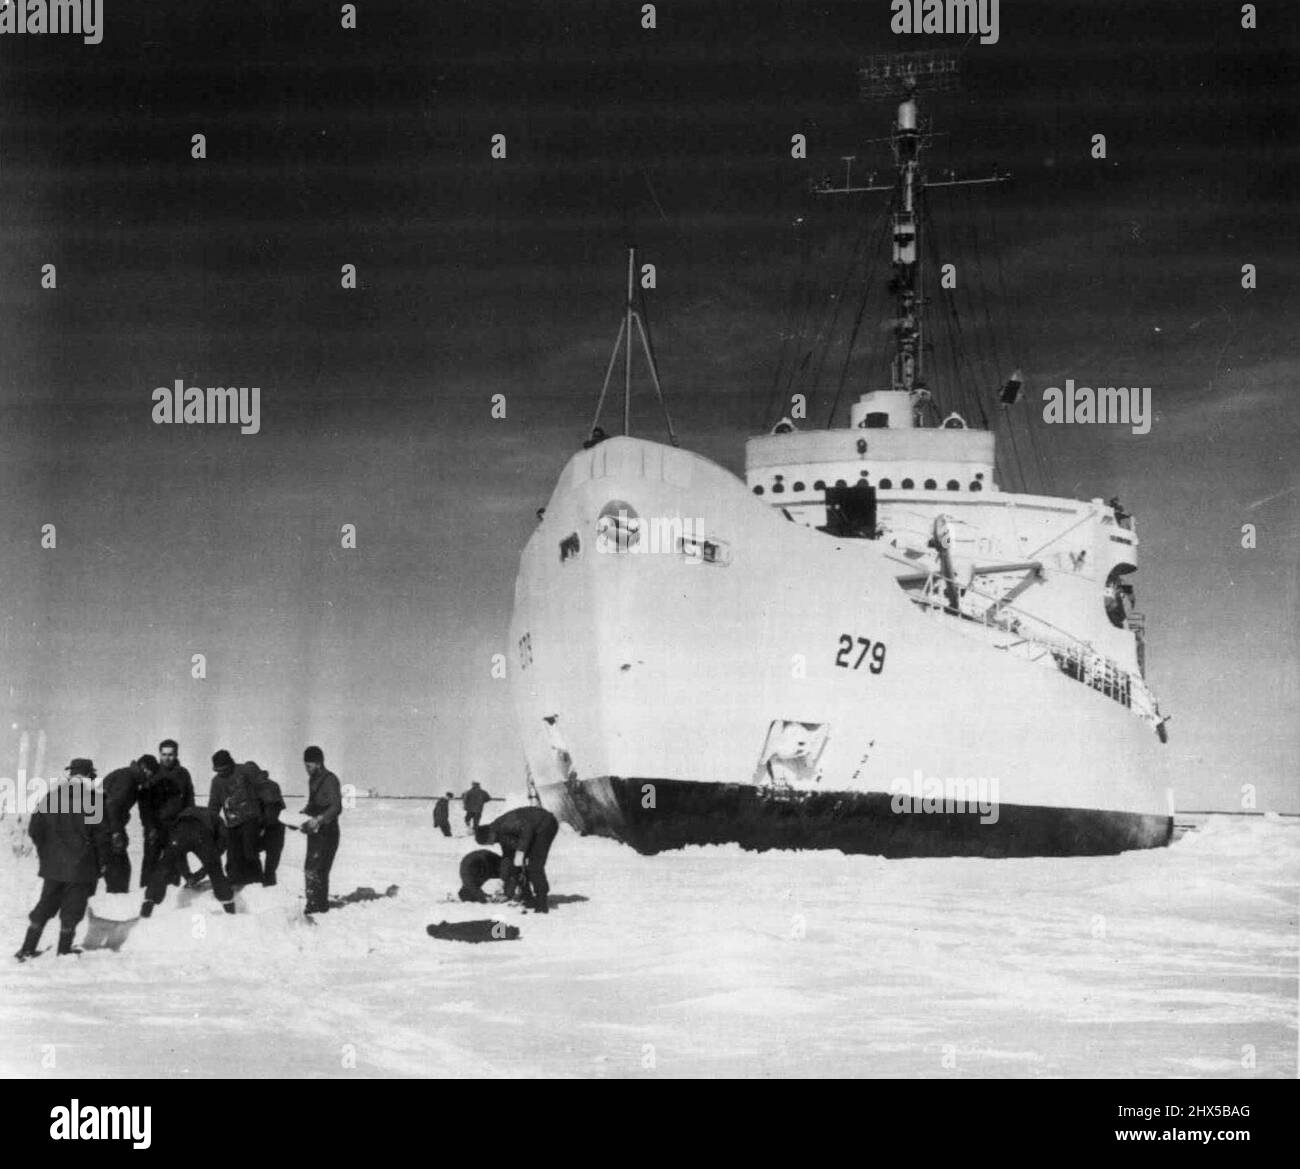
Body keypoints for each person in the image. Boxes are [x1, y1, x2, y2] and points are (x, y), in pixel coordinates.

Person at [15, 759, 100, 960]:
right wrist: (99, 864)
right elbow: (101, 836)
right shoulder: (93, 801)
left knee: (45, 905)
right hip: (81, 867)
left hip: (53, 866)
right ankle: (64, 951)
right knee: (73, 909)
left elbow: (35, 830)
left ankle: (27, 949)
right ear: (89, 776)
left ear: (70, 775)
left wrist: (46, 854)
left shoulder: (51, 797)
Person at [141, 805, 235, 916]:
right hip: (201, 831)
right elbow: (214, 858)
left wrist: (188, 876)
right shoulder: (219, 821)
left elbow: (179, 857)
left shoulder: (189, 811)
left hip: (179, 831)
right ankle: (229, 907)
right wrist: (199, 875)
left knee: (165, 863)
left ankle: (149, 902)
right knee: (215, 869)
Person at [475, 805, 558, 913]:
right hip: (533, 831)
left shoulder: (505, 824)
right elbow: (508, 857)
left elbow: (527, 829)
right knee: (516, 866)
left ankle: (541, 902)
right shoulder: (499, 836)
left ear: (490, 833)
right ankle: (527, 897)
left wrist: (521, 851)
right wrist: (505, 878)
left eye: (488, 841)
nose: (491, 844)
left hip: (545, 824)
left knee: (534, 865)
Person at [97, 754, 159, 894]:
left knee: (113, 865)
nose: (151, 776)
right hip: (105, 828)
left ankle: (112, 898)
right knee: (119, 867)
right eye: (151, 772)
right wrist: (116, 832)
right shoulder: (128, 780)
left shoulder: (127, 776)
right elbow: (113, 805)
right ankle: (116, 900)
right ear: (144, 767)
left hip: (103, 825)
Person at [139, 738, 195, 889]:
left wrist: (188, 822)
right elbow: (144, 804)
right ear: (159, 754)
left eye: (170, 754)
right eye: (164, 754)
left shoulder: (183, 774)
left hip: (176, 825)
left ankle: (171, 898)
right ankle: (144, 894)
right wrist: (149, 826)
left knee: (175, 860)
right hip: (155, 825)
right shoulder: (152, 773)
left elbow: (189, 799)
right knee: (150, 859)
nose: (167, 758)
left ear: (176, 754)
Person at [208, 750, 263, 885]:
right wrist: (210, 822)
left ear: (230, 764)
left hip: (250, 818)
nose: (222, 773)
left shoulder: (244, 771)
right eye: (218, 770)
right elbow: (214, 805)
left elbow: (262, 783)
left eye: (224, 769)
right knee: (233, 855)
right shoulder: (216, 782)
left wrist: (264, 814)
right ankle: (235, 881)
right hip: (232, 823)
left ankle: (255, 881)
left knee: (250, 851)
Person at [301, 746, 342, 915]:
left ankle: (316, 906)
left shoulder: (330, 780)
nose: (307, 769)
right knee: (313, 868)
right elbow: (313, 804)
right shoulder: (313, 780)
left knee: (318, 869)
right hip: (315, 831)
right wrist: (301, 816)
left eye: (309, 766)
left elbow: (336, 807)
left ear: (318, 763)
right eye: (305, 766)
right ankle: (317, 905)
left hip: (328, 831)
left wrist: (318, 819)